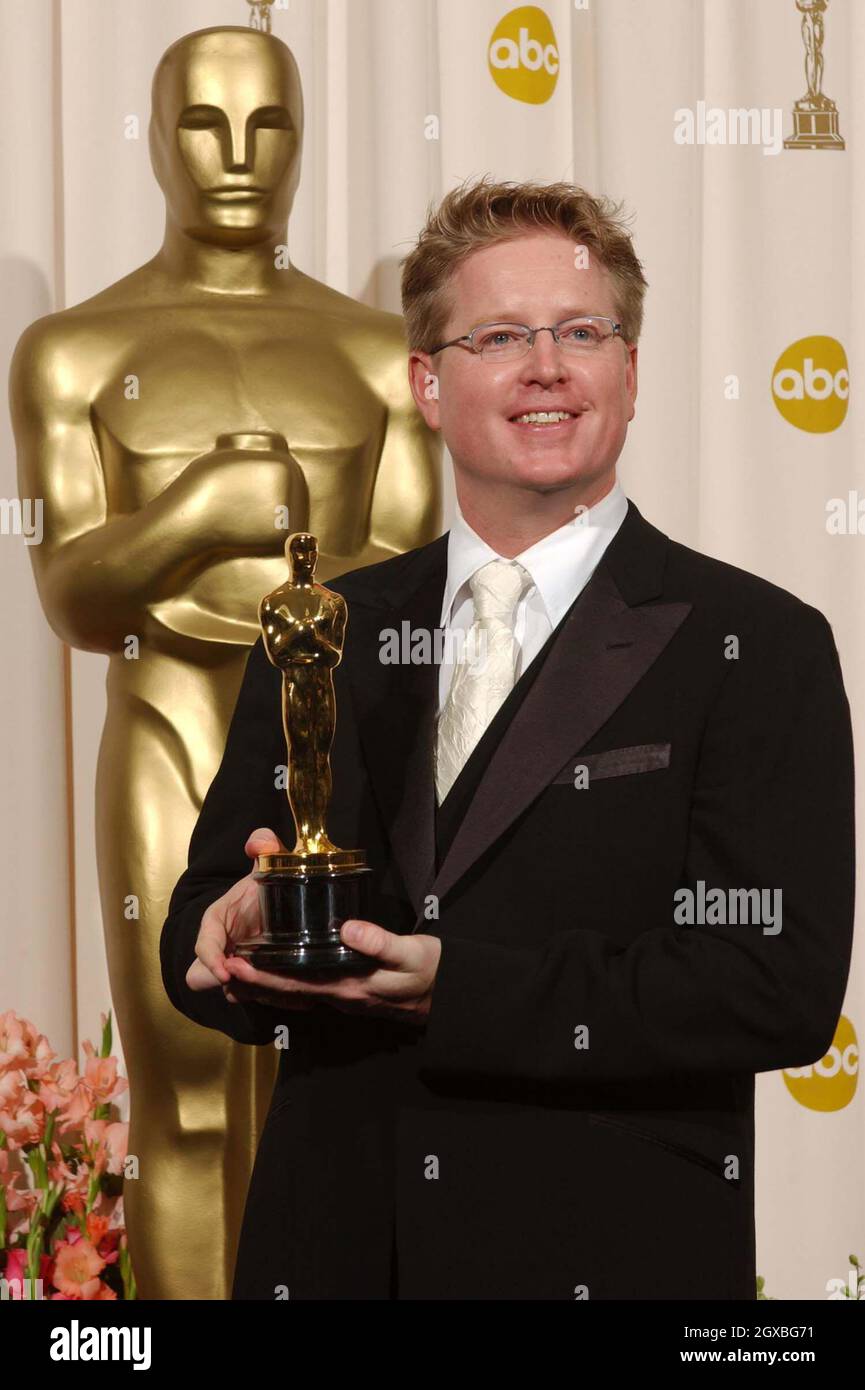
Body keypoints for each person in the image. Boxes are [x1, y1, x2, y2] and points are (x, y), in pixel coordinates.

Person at [160, 177, 855, 1300]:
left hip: (609, 1256)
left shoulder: (756, 645)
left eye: (583, 331)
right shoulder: (322, 628)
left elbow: (774, 984)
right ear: (427, 384)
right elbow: (192, 932)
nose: (548, 366)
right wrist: (226, 936)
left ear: (630, 373)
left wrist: (458, 988)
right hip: (336, 1254)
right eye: (500, 336)